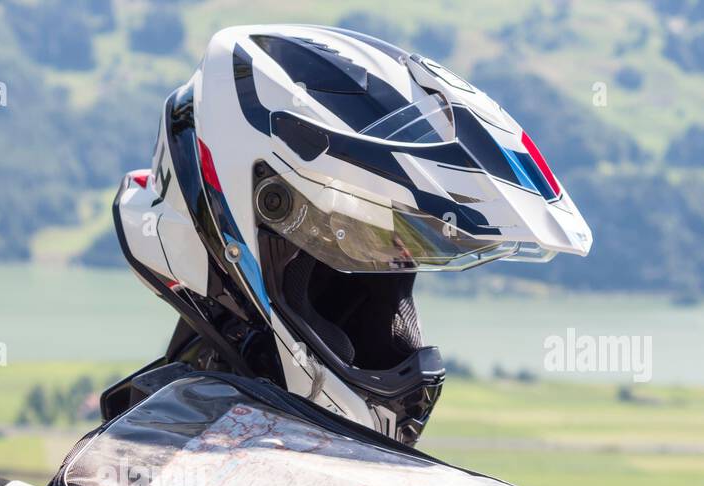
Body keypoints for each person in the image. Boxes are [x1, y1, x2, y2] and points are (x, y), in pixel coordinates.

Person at [111, 24, 591, 444]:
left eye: (394, 262)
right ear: (260, 215)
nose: (408, 356)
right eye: (358, 249)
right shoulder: (168, 472)